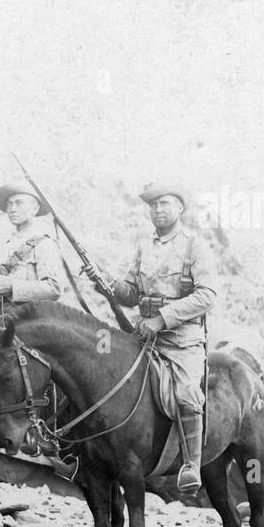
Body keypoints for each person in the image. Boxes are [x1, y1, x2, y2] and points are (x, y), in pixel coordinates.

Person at [83, 183, 217, 494]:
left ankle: (190, 466)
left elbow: (207, 295)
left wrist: (163, 319)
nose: (158, 210)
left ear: (180, 208)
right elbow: (131, 293)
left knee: (186, 395)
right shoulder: (145, 247)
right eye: (153, 205)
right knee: (103, 375)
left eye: (164, 204)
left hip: (182, 341)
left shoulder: (194, 246)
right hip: (143, 335)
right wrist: (105, 281)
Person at [0, 184, 65, 456]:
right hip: (5, 318)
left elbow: (54, 288)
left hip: (34, 322)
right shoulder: (9, 244)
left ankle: (43, 433)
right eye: (9, 204)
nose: (12, 208)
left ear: (34, 208)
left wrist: (13, 286)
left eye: (18, 202)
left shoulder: (44, 243)